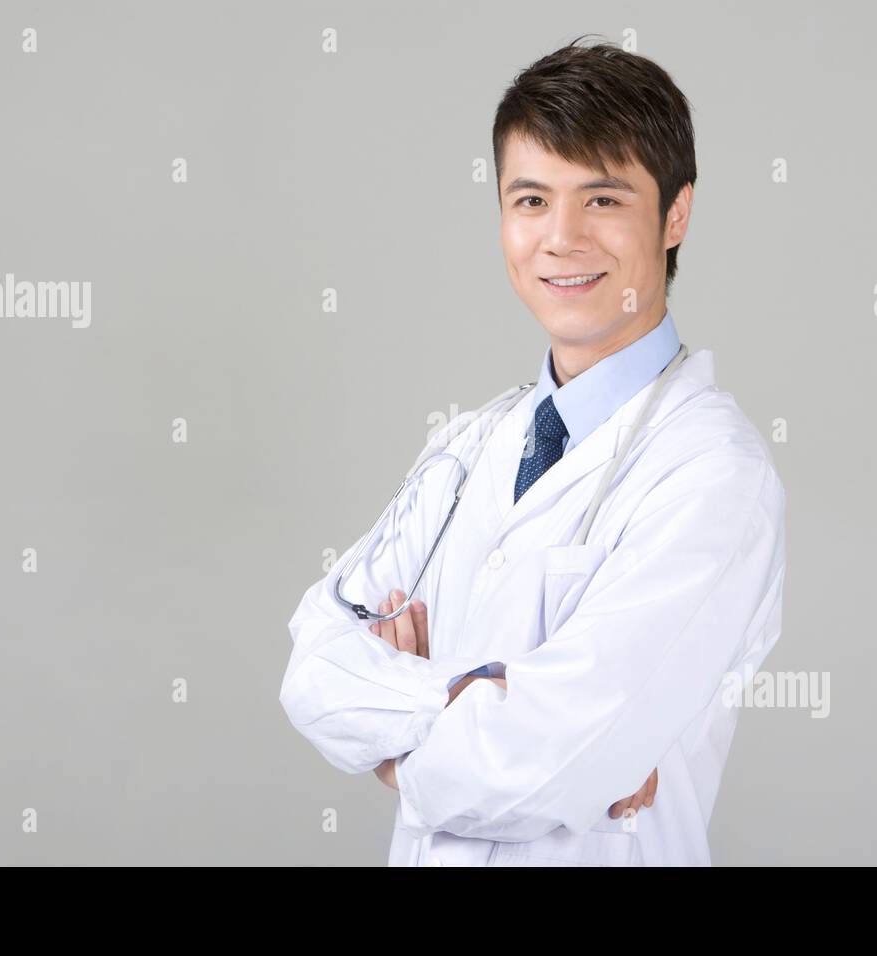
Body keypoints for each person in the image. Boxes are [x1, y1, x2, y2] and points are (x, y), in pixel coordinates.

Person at [279, 36, 786, 866]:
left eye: (603, 199)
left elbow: (540, 768)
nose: (561, 239)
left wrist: (395, 739)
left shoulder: (713, 478)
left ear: (677, 214)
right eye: (530, 200)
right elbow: (312, 669)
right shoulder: (467, 445)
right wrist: (468, 700)